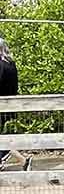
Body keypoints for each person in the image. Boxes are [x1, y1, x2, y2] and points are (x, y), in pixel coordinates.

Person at [0, 37, 32, 171]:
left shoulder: (2, 65)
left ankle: (5, 156)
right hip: (10, 105)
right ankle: (23, 161)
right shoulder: (10, 63)